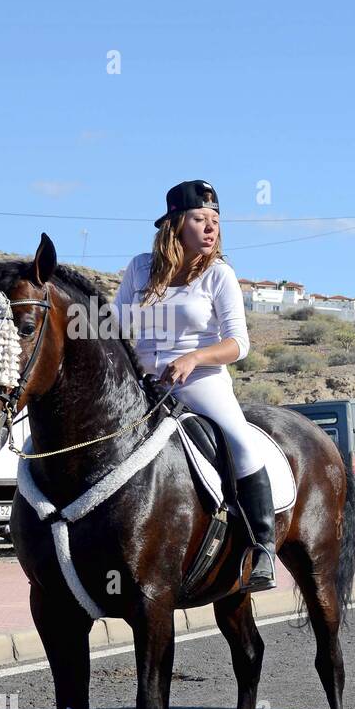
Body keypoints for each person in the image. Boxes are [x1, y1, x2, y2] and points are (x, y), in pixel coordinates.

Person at [114, 180, 277, 591]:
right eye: (200, 219)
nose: (211, 228)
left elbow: (239, 343)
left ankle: (262, 548)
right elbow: (114, 326)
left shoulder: (219, 274)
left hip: (200, 380)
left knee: (240, 440)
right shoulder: (139, 268)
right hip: (144, 383)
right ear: (175, 224)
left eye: (216, 221)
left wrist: (193, 358)